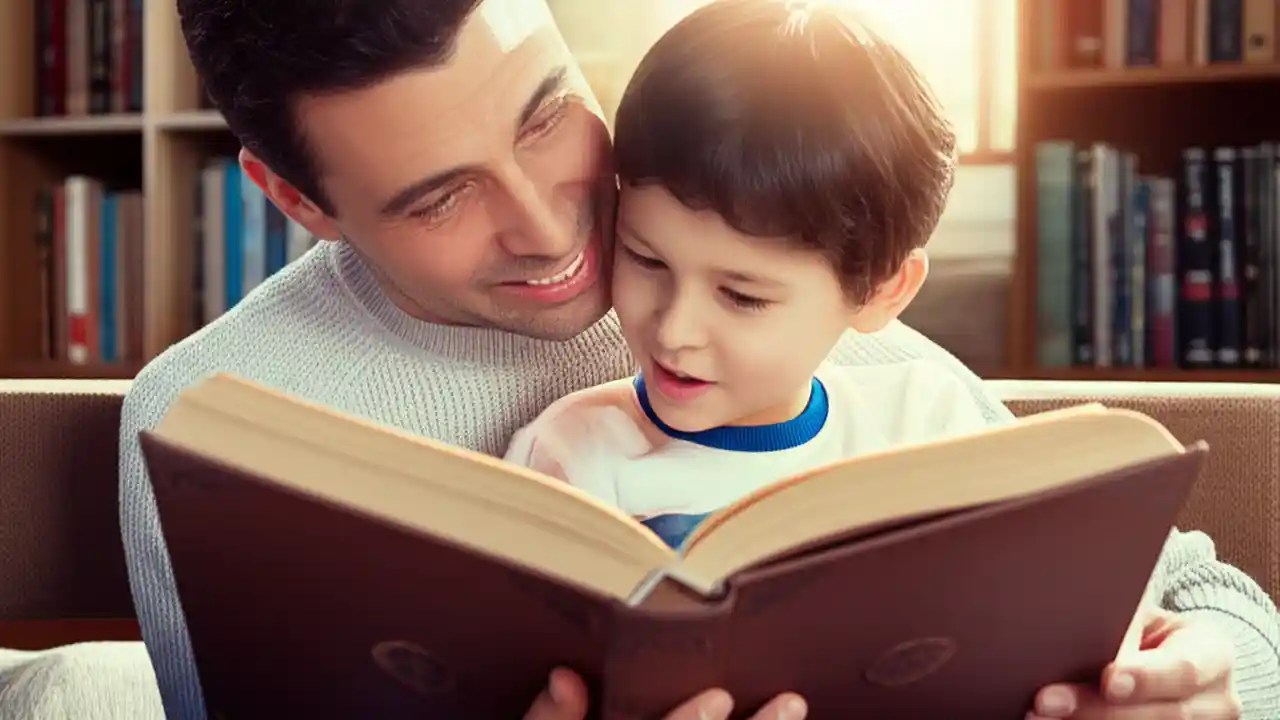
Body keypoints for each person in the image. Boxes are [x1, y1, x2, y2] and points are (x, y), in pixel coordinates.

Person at [0, 1, 1270, 719]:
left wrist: (1200, 688)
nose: (562, 232)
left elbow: (1203, 606)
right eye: (440, 197)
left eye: (546, 112)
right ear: (299, 200)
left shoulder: (748, 257)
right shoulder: (215, 427)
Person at [503, 0, 993, 553]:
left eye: (740, 296)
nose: (674, 331)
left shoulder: (926, 423)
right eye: (646, 259)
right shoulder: (572, 455)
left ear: (882, 290)